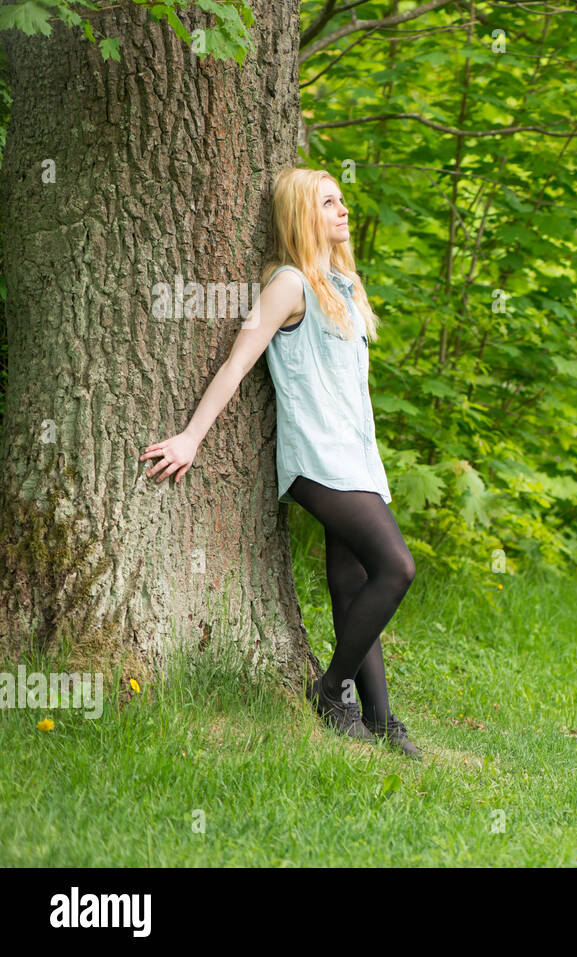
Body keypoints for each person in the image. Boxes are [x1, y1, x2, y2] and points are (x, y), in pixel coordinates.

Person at [139, 167, 421, 760]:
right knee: (397, 568)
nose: (343, 209)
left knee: (353, 583)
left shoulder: (342, 284)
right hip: (319, 461)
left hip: (359, 459)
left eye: (343, 199)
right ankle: (329, 690)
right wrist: (191, 436)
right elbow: (238, 364)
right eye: (329, 202)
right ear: (301, 216)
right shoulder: (289, 284)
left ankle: (379, 717)